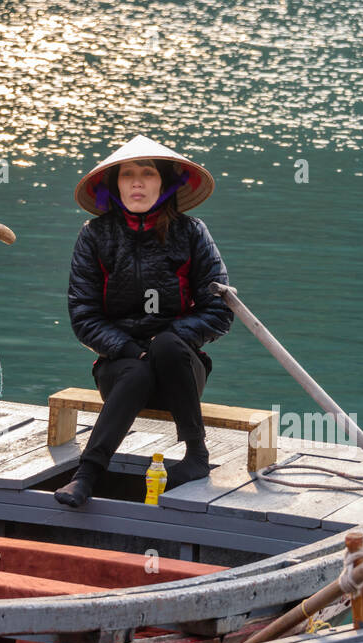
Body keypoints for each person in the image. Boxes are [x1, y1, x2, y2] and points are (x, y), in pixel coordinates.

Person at [54, 134, 234, 507]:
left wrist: (162, 342)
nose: (137, 183)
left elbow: (220, 309)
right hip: (121, 372)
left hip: (180, 373)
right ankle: (87, 474)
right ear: (114, 184)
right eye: (127, 175)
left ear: (164, 183)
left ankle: (196, 456)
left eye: (148, 173)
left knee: (168, 344)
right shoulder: (94, 236)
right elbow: (83, 315)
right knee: (135, 372)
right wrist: (130, 349)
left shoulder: (192, 232)